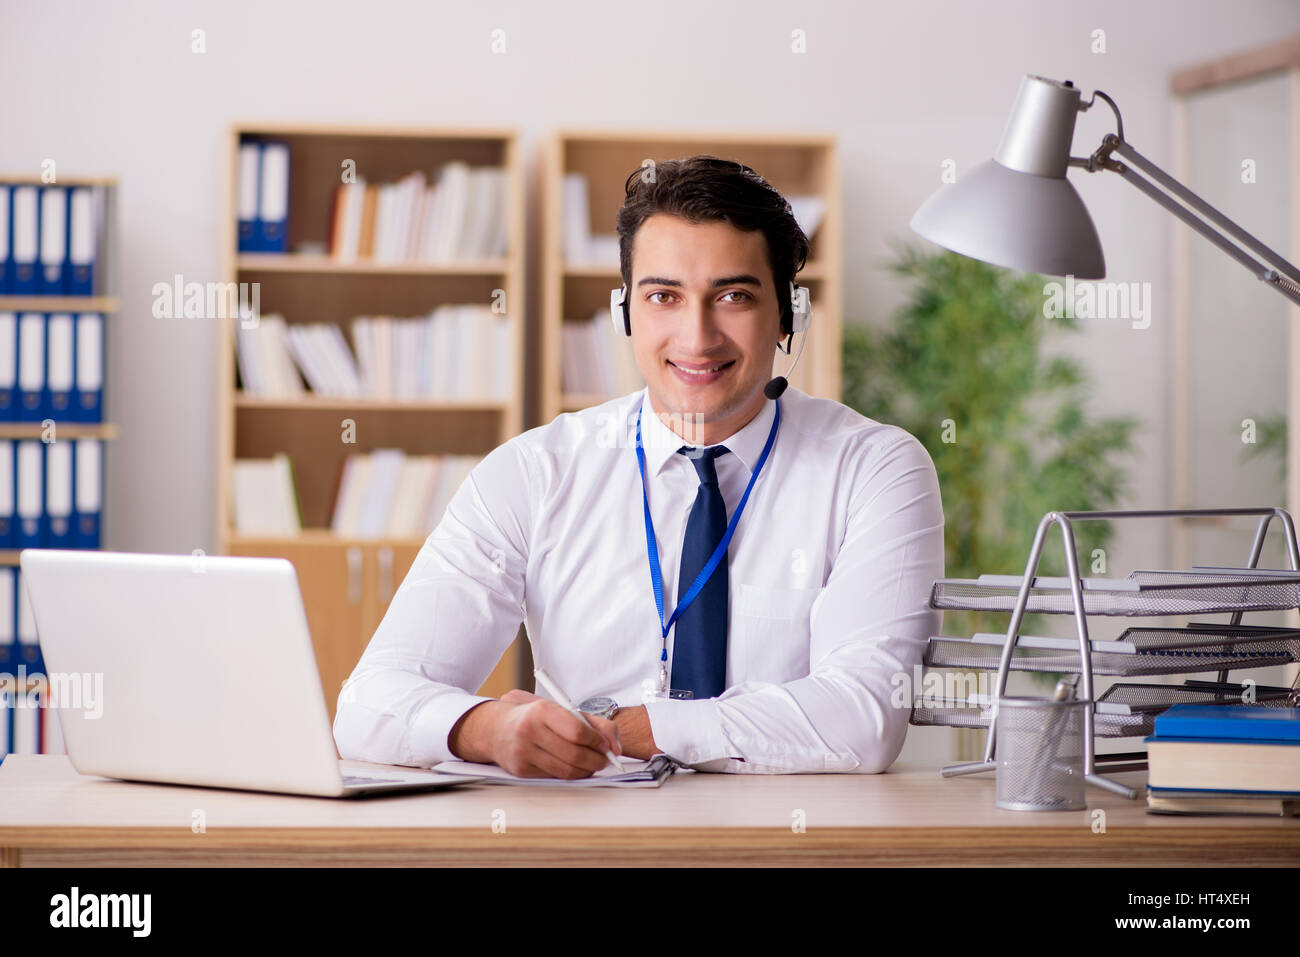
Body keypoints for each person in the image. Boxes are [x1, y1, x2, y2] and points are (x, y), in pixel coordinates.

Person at [333, 155, 944, 778]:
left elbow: (865, 718)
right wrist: (481, 728)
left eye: (733, 296)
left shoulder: (876, 470)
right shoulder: (533, 474)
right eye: (664, 297)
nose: (697, 336)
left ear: (788, 315)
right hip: (591, 841)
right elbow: (366, 705)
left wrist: (636, 730)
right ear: (625, 312)